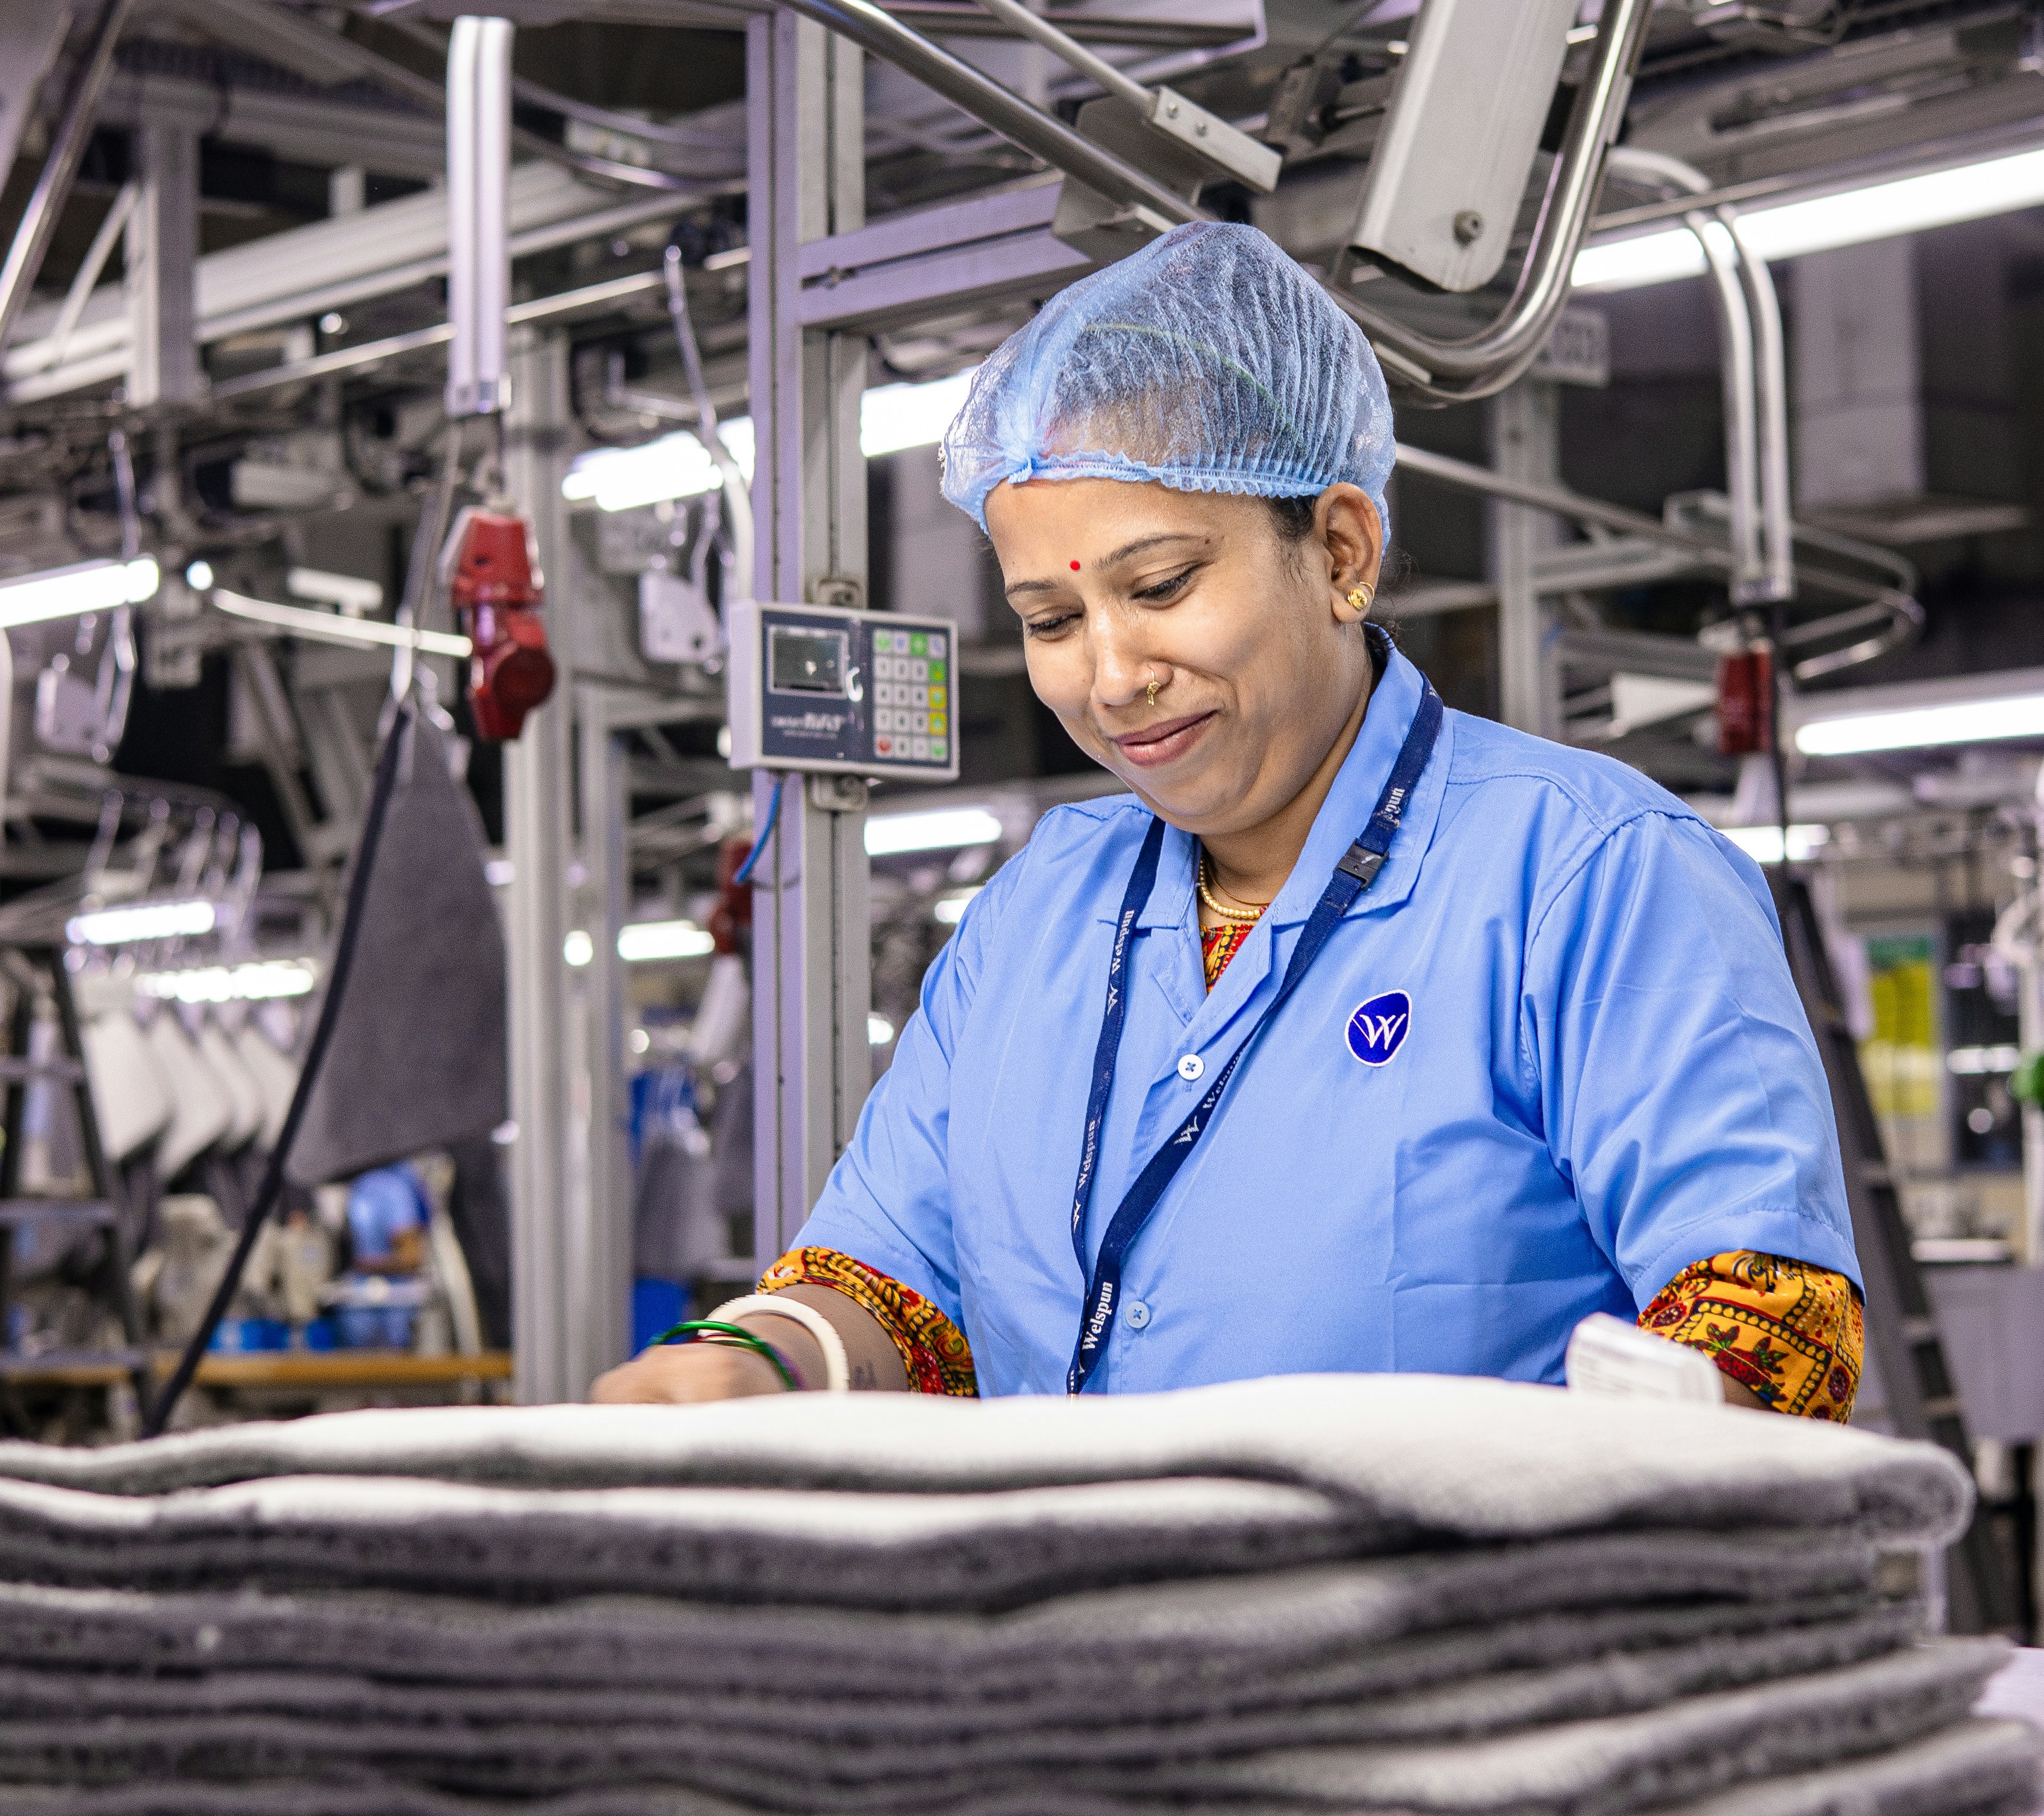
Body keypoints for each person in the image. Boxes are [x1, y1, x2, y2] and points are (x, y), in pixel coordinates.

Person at [594, 222, 1861, 1415]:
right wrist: (752, 1359)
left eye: (1162, 585)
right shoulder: (1038, 913)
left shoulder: (1586, 877)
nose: (1109, 672)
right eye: (1050, 619)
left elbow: (1771, 1326)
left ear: (1343, 550)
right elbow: (896, 1282)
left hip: (1459, 1638)